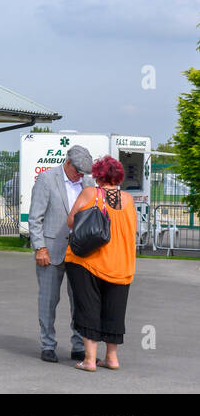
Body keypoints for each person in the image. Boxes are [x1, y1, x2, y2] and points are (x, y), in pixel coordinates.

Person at [65, 155, 136, 371]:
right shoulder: (128, 199)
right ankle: (112, 358)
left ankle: (89, 360)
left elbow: (71, 221)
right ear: (118, 176)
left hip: (88, 261)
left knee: (88, 307)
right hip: (121, 264)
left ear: (97, 175)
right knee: (114, 309)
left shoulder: (91, 193)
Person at [28, 144, 93, 363]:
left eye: (84, 173)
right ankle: (47, 344)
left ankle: (78, 345)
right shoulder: (47, 180)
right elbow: (35, 218)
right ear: (67, 163)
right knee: (48, 300)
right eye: (78, 172)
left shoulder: (88, 182)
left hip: (80, 252)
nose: (80, 176)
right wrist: (40, 247)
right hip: (51, 250)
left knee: (80, 301)